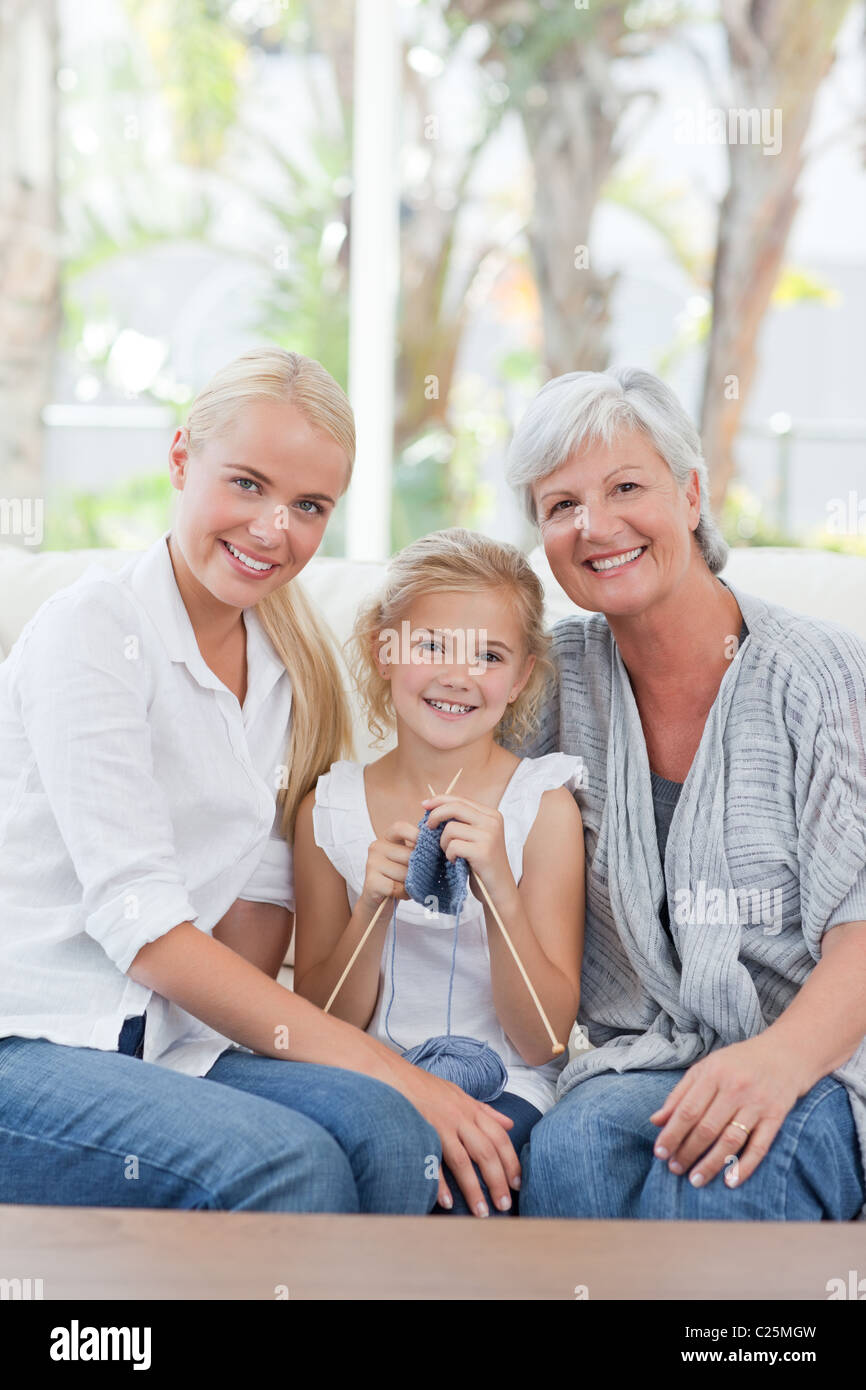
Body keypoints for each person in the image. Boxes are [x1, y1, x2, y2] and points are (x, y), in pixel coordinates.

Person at [0, 347, 517, 1217]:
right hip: (35, 1034)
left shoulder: (292, 670)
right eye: (246, 484)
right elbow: (151, 931)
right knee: (288, 1167)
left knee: (392, 1134)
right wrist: (389, 1067)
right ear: (179, 460)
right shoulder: (92, 630)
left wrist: (364, 1082)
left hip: (172, 1045)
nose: (274, 529)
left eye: (308, 506)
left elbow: (249, 921)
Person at [503, 365, 866, 1221]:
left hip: (817, 1056)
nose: (596, 526)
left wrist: (774, 1065)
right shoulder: (553, 681)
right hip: (642, 1059)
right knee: (571, 1155)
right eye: (561, 506)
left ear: (692, 494)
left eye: (627, 486)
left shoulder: (820, 675)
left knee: (706, 1188)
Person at [292, 528, 585, 1216]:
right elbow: (320, 1023)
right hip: (368, 1079)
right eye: (432, 647)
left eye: (489, 655)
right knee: (368, 1160)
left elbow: (544, 1039)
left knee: (456, 1180)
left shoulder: (542, 806)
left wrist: (501, 896)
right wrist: (372, 906)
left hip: (508, 1082)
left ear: (520, 679)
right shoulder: (326, 810)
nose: (459, 676)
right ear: (382, 650)